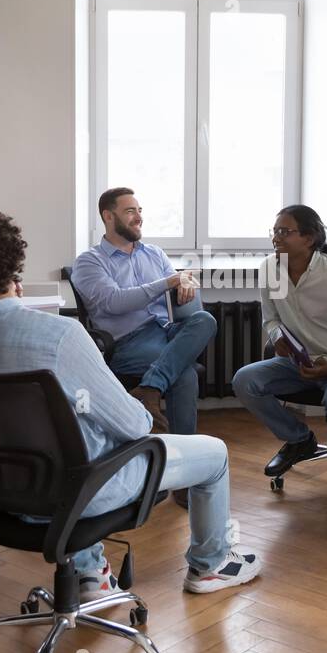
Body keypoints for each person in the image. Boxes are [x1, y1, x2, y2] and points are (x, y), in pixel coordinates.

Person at [0, 205, 261, 600]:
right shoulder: (60, 336)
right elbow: (135, 426)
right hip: (84, 489)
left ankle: (89, 573)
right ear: (15, 263)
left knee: (67, 446)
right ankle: (210, 564)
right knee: (214, 454)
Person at [72, 189, 217, 509]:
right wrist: (169, 282)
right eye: (129, 211)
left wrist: (187, 283)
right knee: (185, 375)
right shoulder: (89, 262)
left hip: (167, 333)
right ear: (108, 217)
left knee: (205, 320)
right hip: (128, 342)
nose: (138, 217)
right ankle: (184, 476)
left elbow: (181, 287)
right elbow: (113, 303)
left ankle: (150, 388)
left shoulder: (154, 253)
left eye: (140, 210)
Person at [233, 205, 327, 491]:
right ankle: (299, 440)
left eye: (284, 232)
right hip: (299, 363)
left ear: (309, 238)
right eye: (274, 232)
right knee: (245, 380)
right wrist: (277, 337)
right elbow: (271, 318)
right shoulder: (270, 269)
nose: (276, 238)